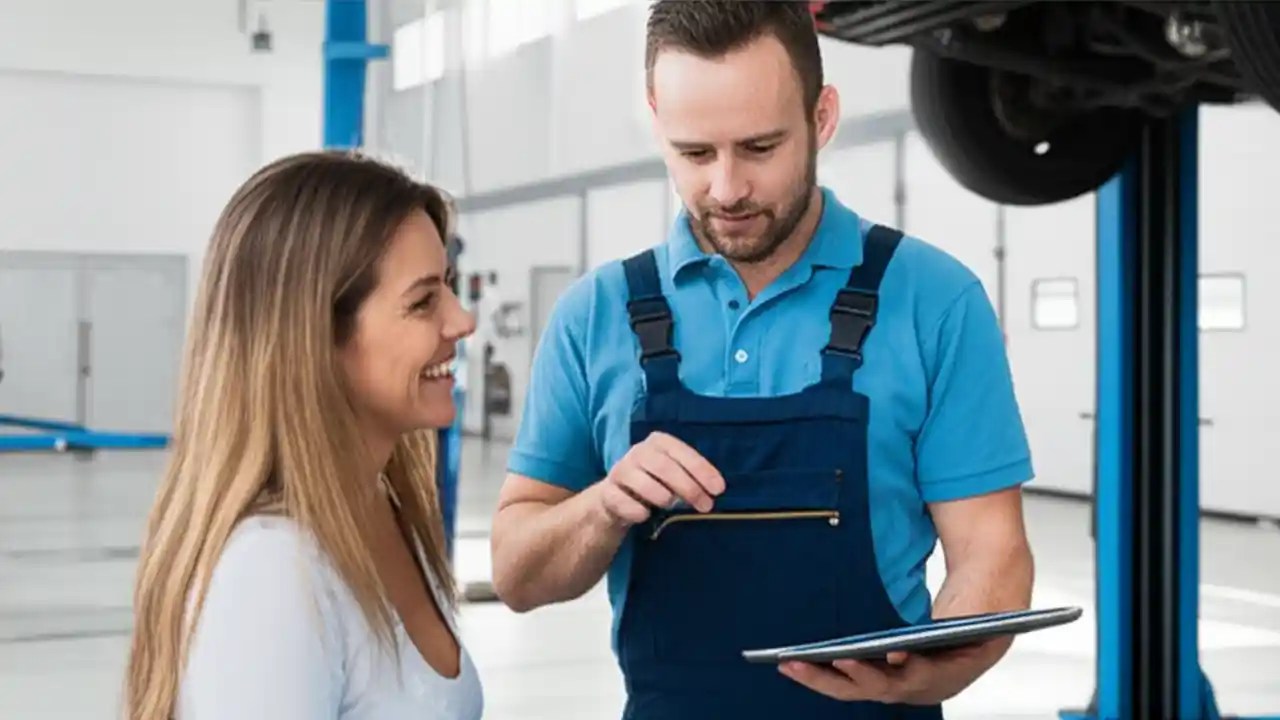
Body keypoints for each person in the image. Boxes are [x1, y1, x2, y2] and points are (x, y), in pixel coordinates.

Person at [489, 2, 1035, 718]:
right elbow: (516, 575)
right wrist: (601, 508)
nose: (726, 189)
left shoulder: (935, 301)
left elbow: (992, 555)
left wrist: (935, 670)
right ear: (657, 121)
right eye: (693, 153)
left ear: (822, 117)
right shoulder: (595, 315)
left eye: (759, 147)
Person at [123, 151, 482, 719]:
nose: (463, 321)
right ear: (314, 338)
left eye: (450, 288)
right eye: (423, 301)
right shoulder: (273, 571)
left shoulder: (381, 507)